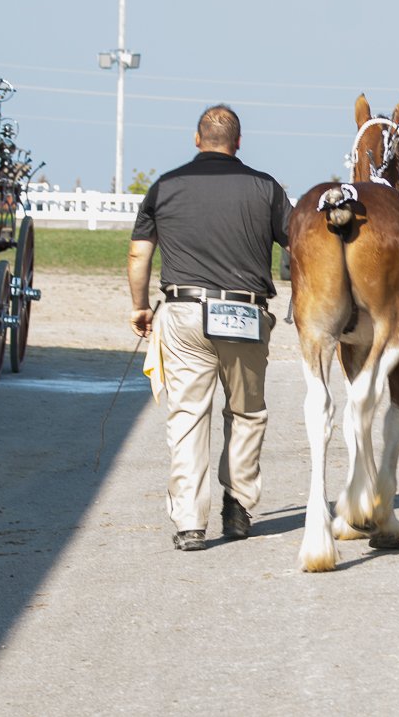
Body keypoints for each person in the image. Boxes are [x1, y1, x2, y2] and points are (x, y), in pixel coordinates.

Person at [128, 104, 293, 552]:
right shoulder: (267, 188)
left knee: (187, 416)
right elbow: (298, 245)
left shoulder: (165, 186)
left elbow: (139, 254)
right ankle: (237, 506)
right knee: (246, 412)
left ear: (197, 139)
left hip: (184, 311)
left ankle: (189, 523)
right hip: (244, 313)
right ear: (238, 143)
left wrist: (140, 307)